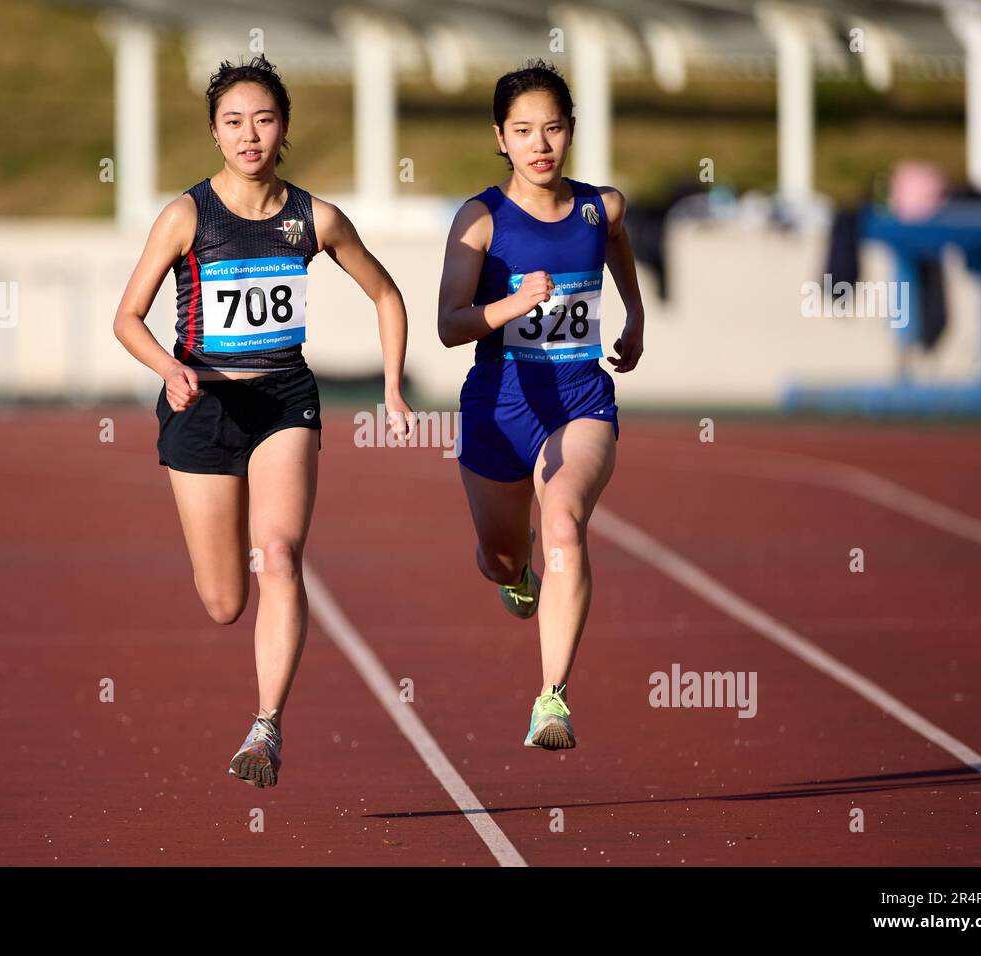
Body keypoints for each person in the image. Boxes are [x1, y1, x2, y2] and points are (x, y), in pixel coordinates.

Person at [114, 55, 414, 787]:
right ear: (214, 134)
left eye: (264, 120)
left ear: (283, 130)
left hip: (285, 401)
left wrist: (395, 389)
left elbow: (387, 294)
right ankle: (251, 673)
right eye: (233, 122)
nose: (250, 135)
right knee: (224, 601)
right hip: (204, 407)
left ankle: (266, 727)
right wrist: (170, 367)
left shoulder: (314, 218)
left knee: (278, 554)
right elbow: (126, 318)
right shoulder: (186, 216)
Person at [436, 60, 645, 750]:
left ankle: (552, 698)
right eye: (524, 130)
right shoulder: (482, 219)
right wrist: (512, 304)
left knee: (563, 525)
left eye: (552, 128)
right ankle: (514, 571)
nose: (540, 143)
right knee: (499, 558)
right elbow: (448, 325)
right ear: (501, 137)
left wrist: (635, 315)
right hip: (500, 403)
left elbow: (615, 238)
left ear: (571, 131)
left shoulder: (599, 205)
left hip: (579, 401)